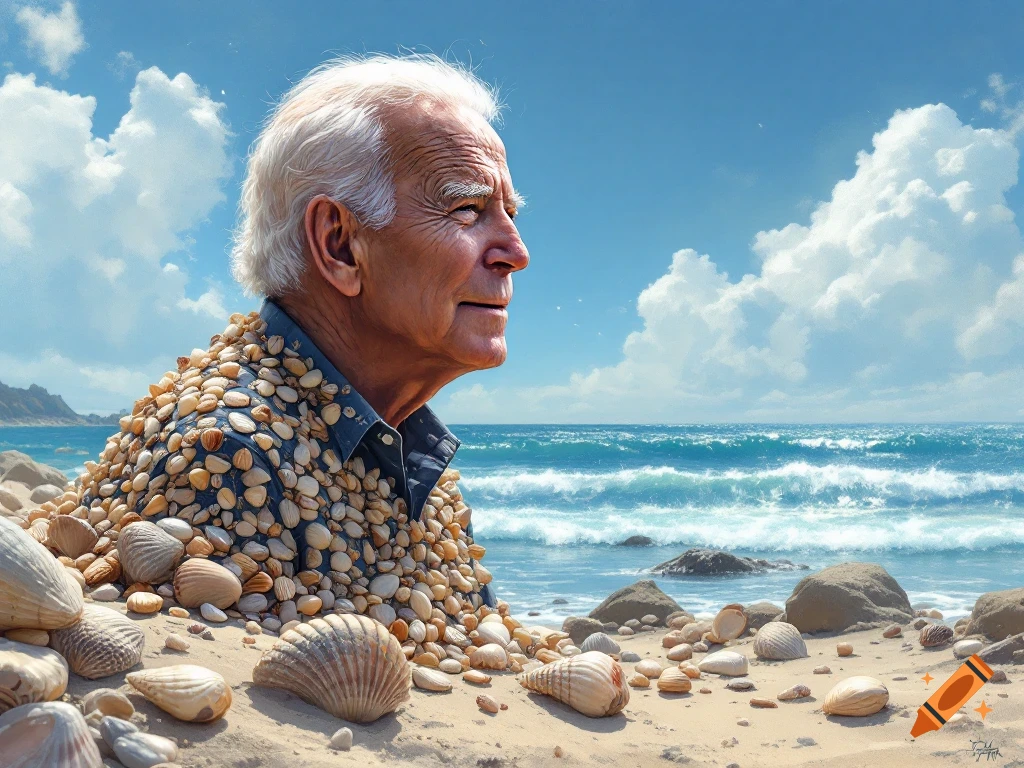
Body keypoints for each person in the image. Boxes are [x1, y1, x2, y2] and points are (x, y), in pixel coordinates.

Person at [71, 53, 530, 633]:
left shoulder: (415, 458)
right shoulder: (229, 457)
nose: (516, 252)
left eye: (509, 214)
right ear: (340, 245)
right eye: (467, 209)